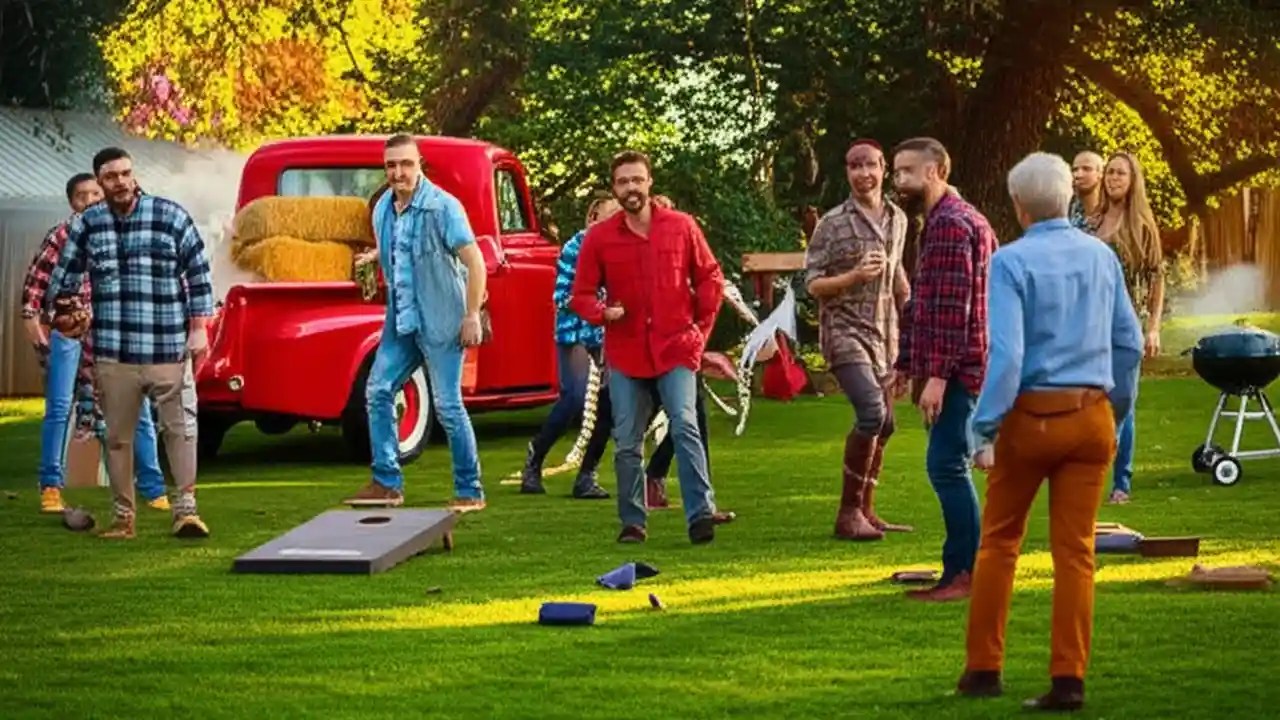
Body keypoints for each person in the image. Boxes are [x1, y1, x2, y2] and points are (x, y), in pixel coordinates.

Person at [956, 152, 1143, 712]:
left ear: (1017, 205)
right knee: (1076, 552)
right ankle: (1069, 679)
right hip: (1090, 417)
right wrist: (1117, 411)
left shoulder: (1010, 262)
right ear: (1068, 196)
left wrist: (981, 428)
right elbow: (1129, 344)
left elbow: (1008, 357)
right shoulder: (1101, 257)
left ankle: (984, 669)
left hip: (1027, 419)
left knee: (999, 544)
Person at [44, 148, 215, 539]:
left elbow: (199, 273)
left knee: (181, 431)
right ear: (99, 182)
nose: (121, 182)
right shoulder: (89, 224)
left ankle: (186, 513)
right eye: (111, 176)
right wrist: (68, 311)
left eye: (125, 173)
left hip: (168, 346)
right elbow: (63, 278)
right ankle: (124, 519)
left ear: (133, 175)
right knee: (117, 437)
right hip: (113, 352)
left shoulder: (170, 215)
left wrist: (199, 328)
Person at [571, 150, 727, 544]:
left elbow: (710, 276)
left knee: (686, 424)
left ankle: (700, 514)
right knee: (627, 440)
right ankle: (633, 521)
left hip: (676, 346)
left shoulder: (681, 226)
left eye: (637, 180)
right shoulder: (599, 237)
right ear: (615, 189)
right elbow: (581, 294)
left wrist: (700, 333)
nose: (631, 188)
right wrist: (602, 313)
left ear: (649, 182)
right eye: (623, 182)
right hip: (626, 353)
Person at [344, 134, 488, 512]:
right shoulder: (382, 212)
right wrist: (375, 256)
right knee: (377, 390)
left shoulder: (443, 207)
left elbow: (475, 262)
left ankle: (469, 489)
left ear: (419, 163)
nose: (398, 172)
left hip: (443, 319)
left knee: (447, 406)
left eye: (405, 164)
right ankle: (386, 483)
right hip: (401, 319)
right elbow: (400, 247)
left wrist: (472, 315)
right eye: (391, 165)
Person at [21, 173, 172, 515]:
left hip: (114, 331)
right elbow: (37, 279)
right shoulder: (61, 235)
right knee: (60, 406)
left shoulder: (122, 232)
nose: (89, 200)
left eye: (94, 193)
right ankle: (50, 487)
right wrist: (31, 318)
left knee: (139, 406)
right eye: (81, 195)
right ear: (72, 202)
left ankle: (153, 487)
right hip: (69, 329)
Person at [890, 137, 996, 601]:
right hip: (952, 366)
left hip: (961, 369)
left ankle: (964, 575)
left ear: (936, 171)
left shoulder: (953, 225)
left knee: (946, 466)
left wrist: (936, 377)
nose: (899, 181)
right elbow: (922, 305)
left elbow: (957, 310)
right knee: (952, 464)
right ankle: (964, 570)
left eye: (907, 172)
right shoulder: (935, 223)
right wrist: (905, 364)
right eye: (897, 172)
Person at [805, 138, 912, 541]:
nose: (863, 173)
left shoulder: (899, 219)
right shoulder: (832, 223)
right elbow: (812, 283)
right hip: (844, 329)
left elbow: (897, 269)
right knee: (871, 412)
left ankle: (867, 509)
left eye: (870, 165)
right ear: (847, 172)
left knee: (886, 424)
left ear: (884, 168)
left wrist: (912, 309)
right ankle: (847, 514)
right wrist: (853, 277)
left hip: (887, 334)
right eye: (854, 166)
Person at [518, 196, 619, 499]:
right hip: (575, 331)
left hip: (607, 334)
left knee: (609, 404)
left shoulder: (622, 249)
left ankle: (586, 475)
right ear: (593, 217)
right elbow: (563, 296)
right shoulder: (575, 248)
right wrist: (600, 306)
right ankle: (536, 456)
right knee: (575, 397)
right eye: (609, 216)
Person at [1086, 151, 1165, 504]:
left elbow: (1157, 279)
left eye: (1121, 174)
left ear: (1133, 181)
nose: (1114, 178)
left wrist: (1153, 327)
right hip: (1089, 324)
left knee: (1123, 402)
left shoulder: (1143, 226)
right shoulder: (1092, 221)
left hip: (1125, 325)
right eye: (1111, 173)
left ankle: (1122, 482)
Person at [1068, 151, 1104, 231]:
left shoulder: (1111, 214)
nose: (1078, 175)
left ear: (1100, 173)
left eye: (1087, 169)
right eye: (1075, 170)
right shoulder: (1068, 210)